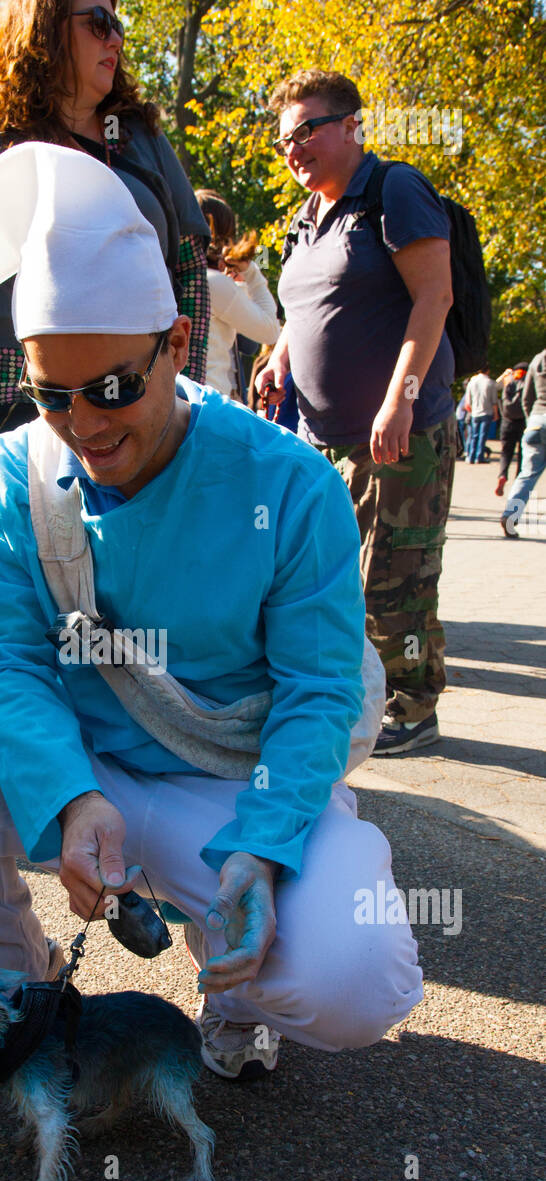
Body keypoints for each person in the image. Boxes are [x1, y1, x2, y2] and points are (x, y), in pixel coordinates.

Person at [0, 142, 422, 1084]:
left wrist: (264, 845)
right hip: (84, 771)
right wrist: (72, 798)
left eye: (114, 387)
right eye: (52, 396)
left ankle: (238, 992)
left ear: (174, 345)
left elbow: (321, 689)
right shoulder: (7, 478)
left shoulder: (288, 485)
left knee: (354, 978)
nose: (85, 426)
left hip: (234, 789)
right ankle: (6, 986)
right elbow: (7, 664)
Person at [256, 68, 455, 757]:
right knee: (327, 578)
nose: (294, 148)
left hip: (400, 434)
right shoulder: (306, 218)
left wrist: (399, 399)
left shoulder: (392, 189)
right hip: (320, 437)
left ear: (350, 125)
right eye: (284, 139)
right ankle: (347, 694)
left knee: (395, 577)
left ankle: (412, 706)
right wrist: (281, 352)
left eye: (307, 130)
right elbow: (307, 306)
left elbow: (434, 298)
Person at [0, 0, 210, 454]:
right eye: (98, 22)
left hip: (137, 390)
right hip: (25, 396)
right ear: (45, 28)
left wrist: (188, 382)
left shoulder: (137, 135)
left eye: (117, 24)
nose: (115, 38)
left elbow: (189, 265)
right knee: (41, 523)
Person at [195, 189, 279, 398]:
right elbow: (270, 331)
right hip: (213, 404)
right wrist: (251, 273)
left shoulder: (173, 276)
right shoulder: (214, 283)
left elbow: (247, 346)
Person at [500, 349, 546, 537]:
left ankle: (510, 515)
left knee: (527, 474)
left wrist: (532, 421)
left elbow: (526, 398)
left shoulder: (537, 359)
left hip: (536, 421)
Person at [496, 362, 527, 496]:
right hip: (523, 422)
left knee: (506, 452)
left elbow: (494, 386)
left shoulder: (509, 382)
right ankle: (517, 482)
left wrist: (504, 376)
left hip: (507, 422)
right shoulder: (528, 382)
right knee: (522, 453)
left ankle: (502, 475)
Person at [464, 366, 498, 464]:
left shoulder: (472, 382)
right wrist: (496, 414)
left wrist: (471, 410)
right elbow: (494, 401)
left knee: (474, 435)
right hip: (486, 412)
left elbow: (468, 401)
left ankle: (470, 456)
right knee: (482, 436)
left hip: (474, 412)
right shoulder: (490, 383)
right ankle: (479, 457)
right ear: (488, 370)